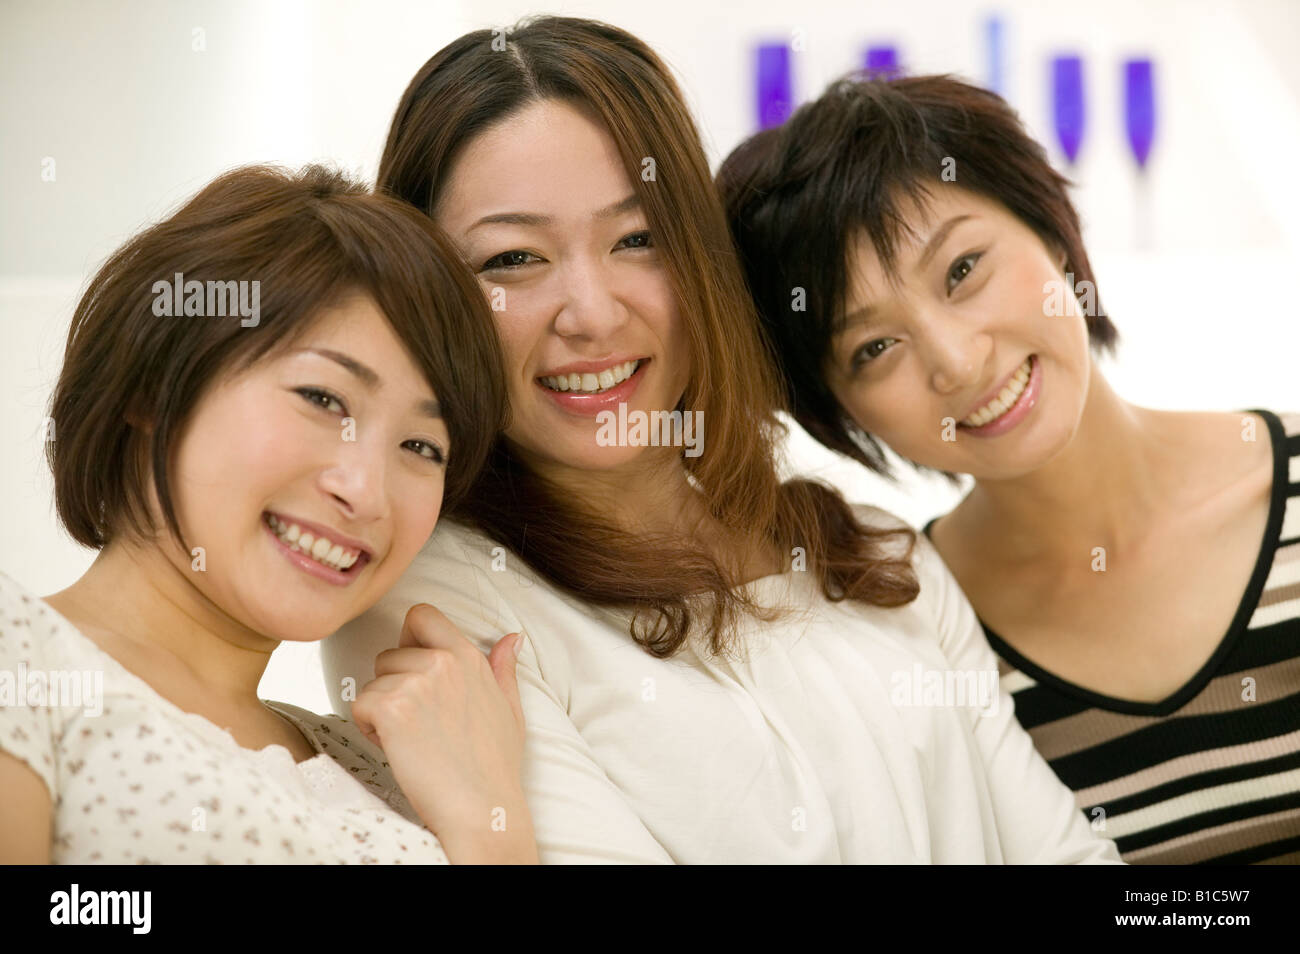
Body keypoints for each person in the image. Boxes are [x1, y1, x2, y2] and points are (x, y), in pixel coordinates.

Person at [322, 16, 1122, 863]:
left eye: (638, 239)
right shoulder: (435, 601)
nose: (592, 313)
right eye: (513, 260)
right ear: (428, 298)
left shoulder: (878, 556)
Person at [716, 72, 1300, 864]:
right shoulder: (914, 635)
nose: (956, 362)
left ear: (1051, 232)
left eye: (962, 270)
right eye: (874, 348)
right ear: (841, 412)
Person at [0, 164, 537, 864]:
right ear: (156, 387)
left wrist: (488, 815)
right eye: (323, 399)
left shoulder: (379, 763)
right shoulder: (25, 660)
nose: (367, 492)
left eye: (420, 445)